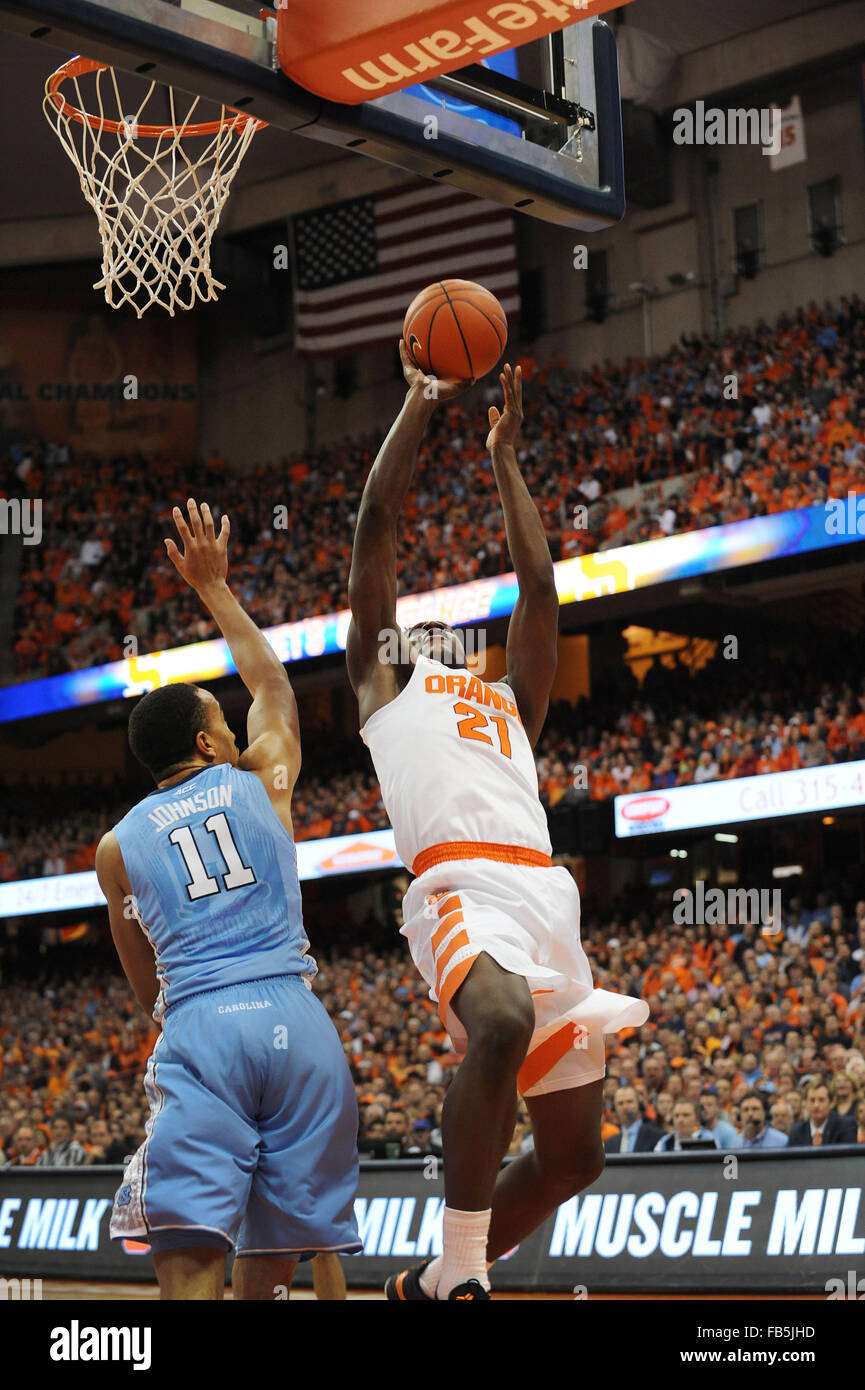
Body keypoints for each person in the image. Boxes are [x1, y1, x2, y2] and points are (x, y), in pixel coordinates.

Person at [347, 352, 648, 1301]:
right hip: (457, 887)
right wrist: (418, 400)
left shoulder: (511, 703)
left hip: (543, 895)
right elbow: (377, 528)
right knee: (502, 1022)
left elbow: (541, 591)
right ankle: (468, 1267)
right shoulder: (383, 685)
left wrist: (505, 457)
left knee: (572, 1161)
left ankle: (430, 1279)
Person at [95, 500, 360, 1300]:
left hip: (202, 1022)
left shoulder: (116, 847)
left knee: (189, 1240)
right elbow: (271, 683)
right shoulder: (264, 781)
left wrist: (171, 1017)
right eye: (222, 718)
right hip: (294, 1022)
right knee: (278, 1244)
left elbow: (141, 973)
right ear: (209, 742)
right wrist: (213, 588)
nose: (235, 723)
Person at [789, 1079, 857, 1146]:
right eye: (812, 1100)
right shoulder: (797, 1131)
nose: (816, 1105)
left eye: (821, 1100)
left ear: (832, 1103)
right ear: (805, 1103)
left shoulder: (846, 1126)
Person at [604, 1086, 663, 1153]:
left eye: (629, 1101)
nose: (625, 1107)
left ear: (639, 1104)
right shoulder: (609, 1144)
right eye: (620, 1103)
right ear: (615, 1109)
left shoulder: (656, 1136)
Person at [654, 1099, 718, 1152]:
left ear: (697, 1120)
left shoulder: (709, 1139)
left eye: (686, 1115)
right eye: (676, 1115)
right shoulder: (666, 1141)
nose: (680, 1120)